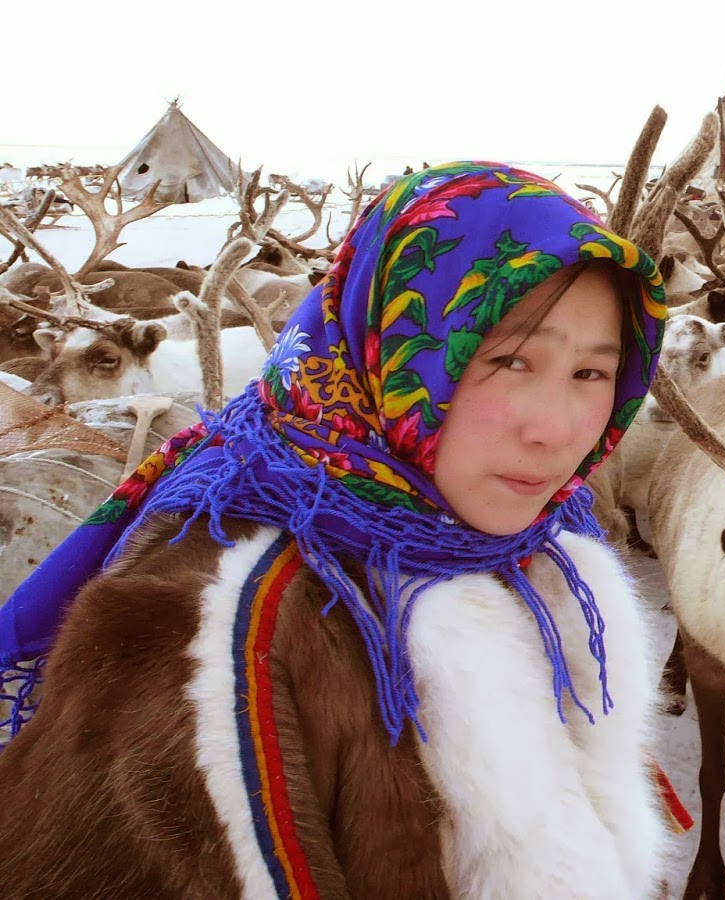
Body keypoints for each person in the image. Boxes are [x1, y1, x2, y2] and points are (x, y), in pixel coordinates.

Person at [0, 162, 690, 895]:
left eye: (592, 374)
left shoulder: (539, 549)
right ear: (394, 349)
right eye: (508, 360)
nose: (557, 431)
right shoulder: (202, 639)